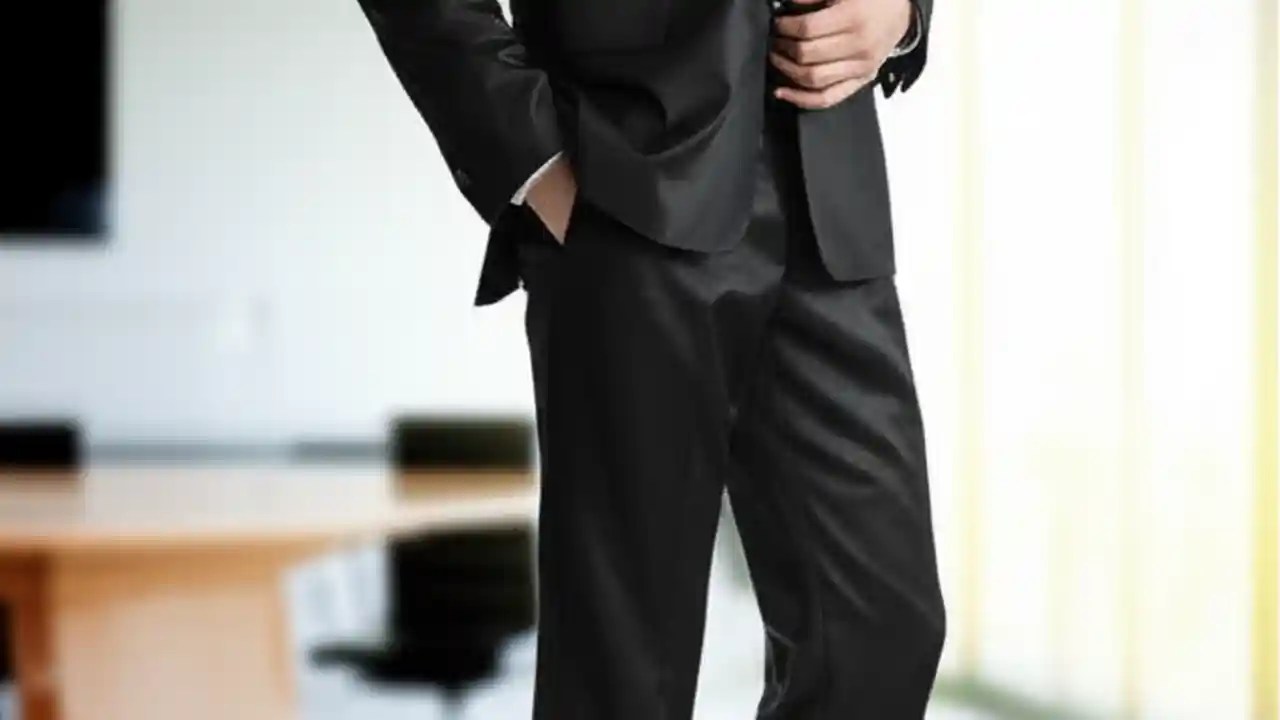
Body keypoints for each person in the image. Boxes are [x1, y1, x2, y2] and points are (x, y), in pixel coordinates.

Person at [356, 0, 946, 716]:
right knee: (626, 673)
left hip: (830, 195)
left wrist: (902, 11)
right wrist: (535, 156)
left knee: (882, 632)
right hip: (630, 188)